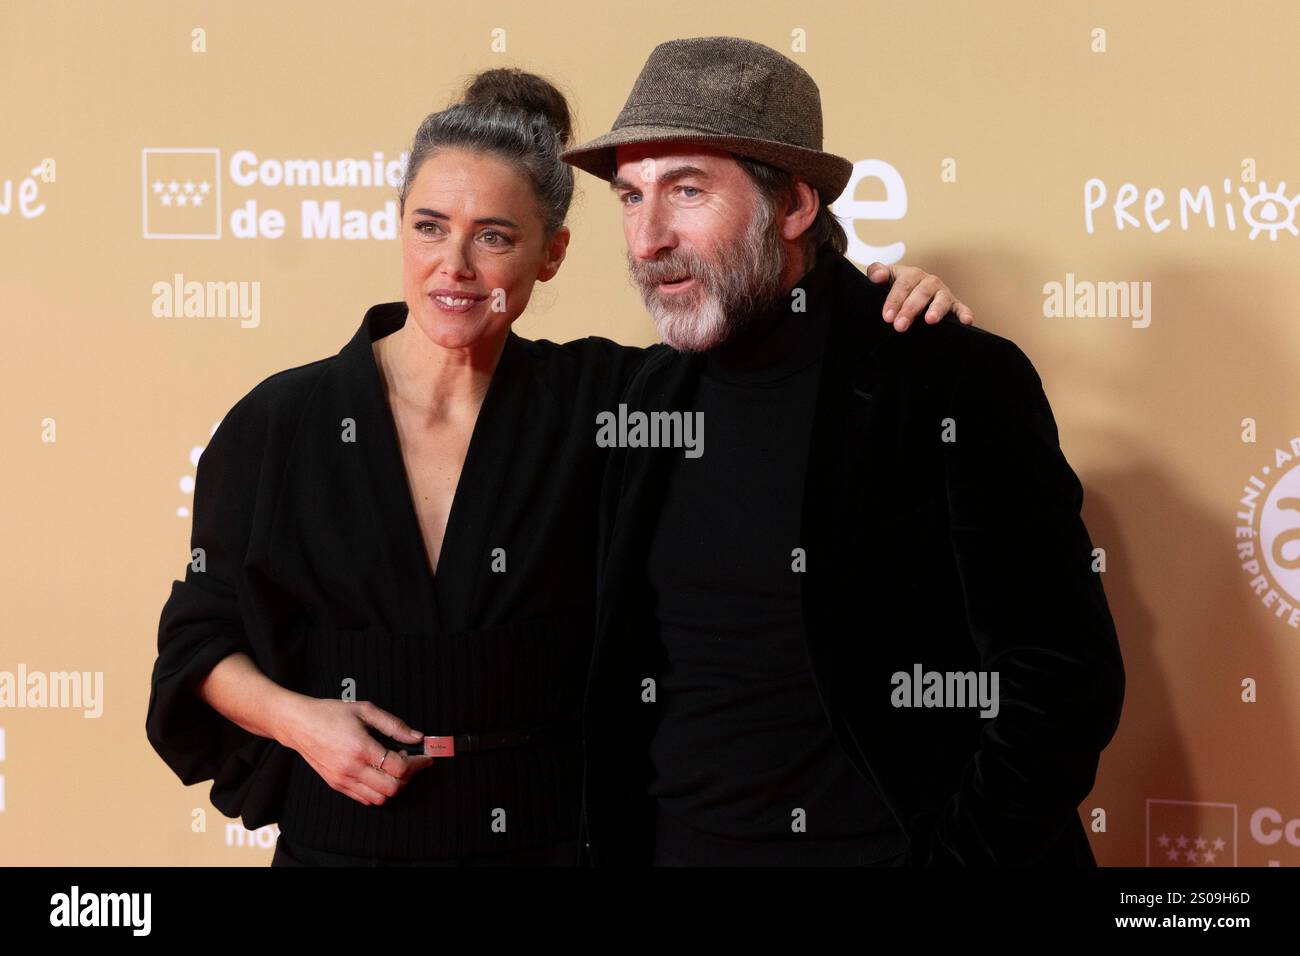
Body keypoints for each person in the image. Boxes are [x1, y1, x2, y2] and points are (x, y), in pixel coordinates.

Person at [144, 67, 970, 866]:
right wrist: (300, 722)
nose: (454, 267)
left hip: (554, 843)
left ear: (553, 253)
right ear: (399, 227)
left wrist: (884, 303)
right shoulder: (280, 423)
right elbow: (196, 642)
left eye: (494, 237)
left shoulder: (611, 401)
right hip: (341, 841)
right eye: (429, 226)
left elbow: (768, 347)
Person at [561, 36, 1126, 866]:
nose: (647, 239)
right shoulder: (640, 393)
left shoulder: (945, 375)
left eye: (686, 190)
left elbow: (1059, 679)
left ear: (792, 206)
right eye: (630, 195)